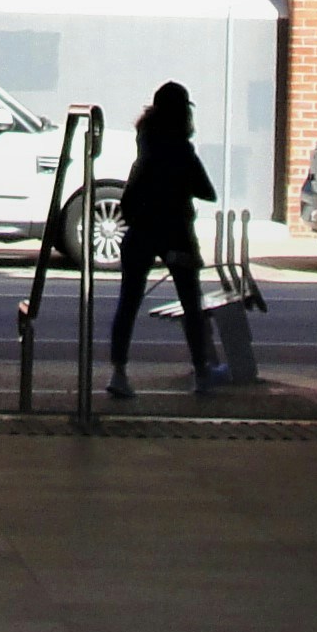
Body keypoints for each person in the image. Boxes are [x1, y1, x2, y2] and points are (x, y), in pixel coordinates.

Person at [106, 81, 223, 398]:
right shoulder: (182, 150)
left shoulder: (145, 145)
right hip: (176, 232)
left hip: (141, 230)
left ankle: (118, 371)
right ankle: (201, 372)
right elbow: (207, 191)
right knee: (191, 304)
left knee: (128, 302)